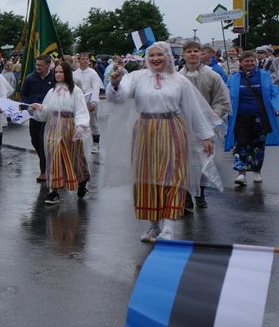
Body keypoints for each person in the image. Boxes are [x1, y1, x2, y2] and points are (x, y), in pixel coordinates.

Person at [105, 41, 216, 241]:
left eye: (160, 55)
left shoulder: (179, 80)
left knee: (173, 176)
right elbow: (118, 98)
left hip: (172, 128)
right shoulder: (136, 77)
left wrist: (205, 136)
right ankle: (153, 225)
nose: (156, 59)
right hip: (145, 131)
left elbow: (194, 111)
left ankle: (169, 227)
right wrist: (114, 83)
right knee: (146, 176)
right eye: (152, 55)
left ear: (168, 56)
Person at [28, 60, 91, 206]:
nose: (58, 74)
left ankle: (82, 181)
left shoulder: (75, 91)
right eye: (56, 72)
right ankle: (54, 190)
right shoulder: (52, 91)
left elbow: (81, 109)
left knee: (74, 156)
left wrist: (81, 126)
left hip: (69, 125)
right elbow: (47, 110)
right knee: (54, 155)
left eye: (61, 72)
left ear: (67, 73)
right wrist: (38, 108)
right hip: (53, 126)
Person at [179, 40, 230, 207]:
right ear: (184, 54)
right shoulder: (178, 77)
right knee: (184, 161)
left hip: (207, 127)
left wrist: (212, 117)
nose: (193, 54)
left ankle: (200, 194)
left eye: (196, 51)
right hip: (184, 126)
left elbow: (222, 100)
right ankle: (186, 196)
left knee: (202, 161)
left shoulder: (212, 75)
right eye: (189, 51)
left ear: (201, 54)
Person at [224, 49, 279, 187]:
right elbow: (226, 95)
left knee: (257, 145)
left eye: (251, 61)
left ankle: (257, 171)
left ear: (255, 62)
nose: (249, 63)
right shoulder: (234, 77)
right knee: (241, 143)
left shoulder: (265, 76)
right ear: (241, 63)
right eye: (246, 61)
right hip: (240, 117)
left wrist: (276, 107)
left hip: (260, 117)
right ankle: (241, 173)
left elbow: (273, 93)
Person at [20, 55, 53, 181]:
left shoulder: (54, 77)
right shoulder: (30, 78)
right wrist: (27, 105)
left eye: (40, 65)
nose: (37, 67)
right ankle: (45, 160)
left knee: (42, 140)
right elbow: (23, 93)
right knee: (35, 140)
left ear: (48, 65)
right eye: (36, 65)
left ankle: (43, 171)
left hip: (49, 115)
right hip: (34, 115)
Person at [72, 52, 104, 152]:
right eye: (83, 59)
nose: (85, 61)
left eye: (87, 59)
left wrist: (93, 101)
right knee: (78, 121)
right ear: (79, 60)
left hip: (90, 98)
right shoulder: (75, 74)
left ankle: (95, 143)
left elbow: (95, 87)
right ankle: (79, 142)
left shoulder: (92, 73)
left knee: (93, 121)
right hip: (79, 99)